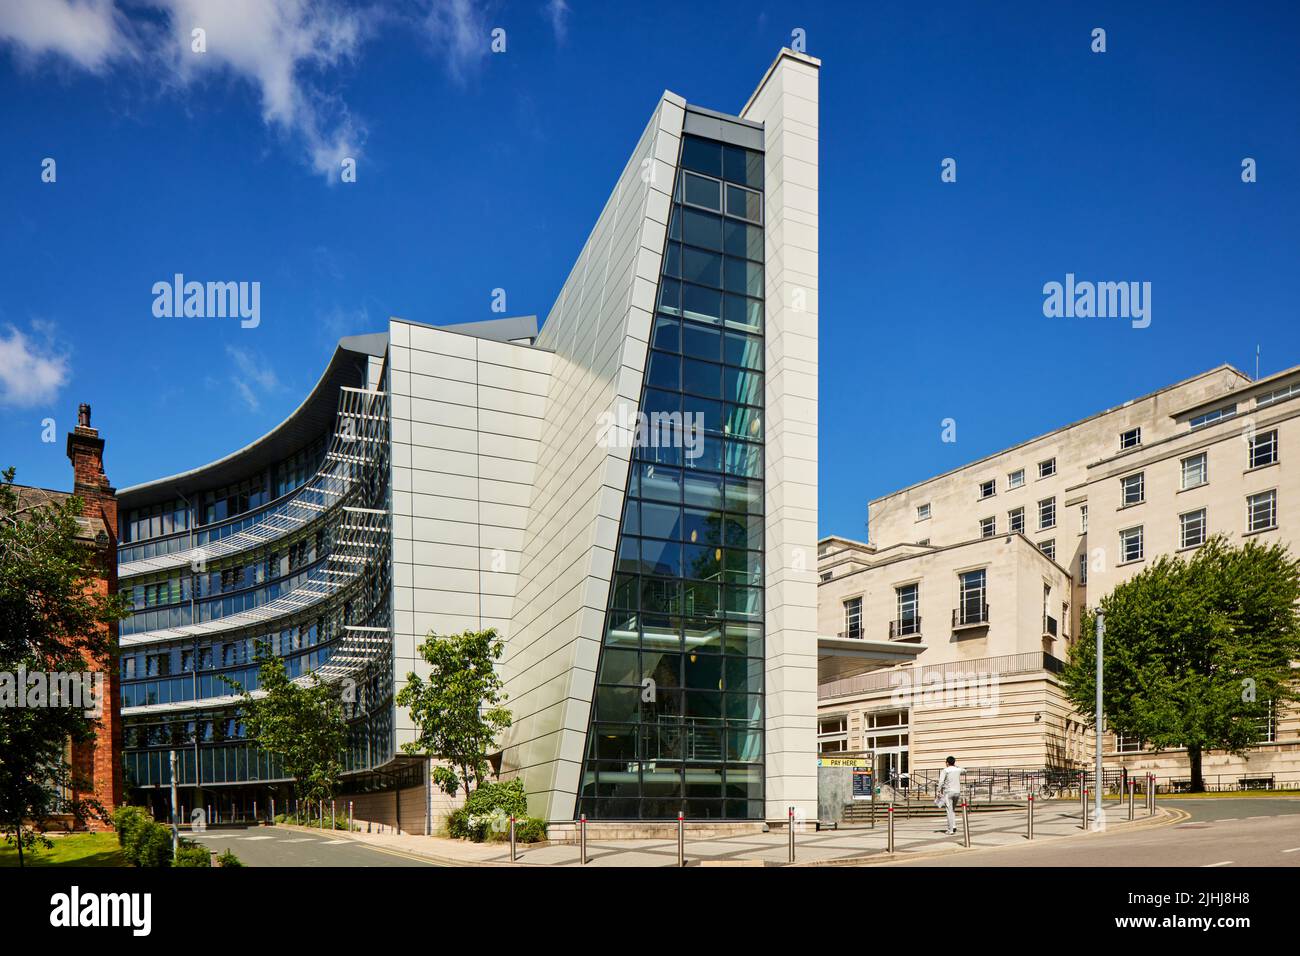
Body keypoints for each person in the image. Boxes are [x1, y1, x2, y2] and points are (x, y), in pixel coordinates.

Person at [936, 755, 964, 834]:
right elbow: (965, 771)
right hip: (957, 792)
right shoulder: (958, 769)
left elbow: (941, 781)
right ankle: (954, 826)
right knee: (953, 810)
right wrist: (956, 766)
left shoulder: (945, 770)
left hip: (948, 792)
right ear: (954, 762)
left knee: (949, 811)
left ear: (947, 763)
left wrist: (938, 791)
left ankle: (950, 830)